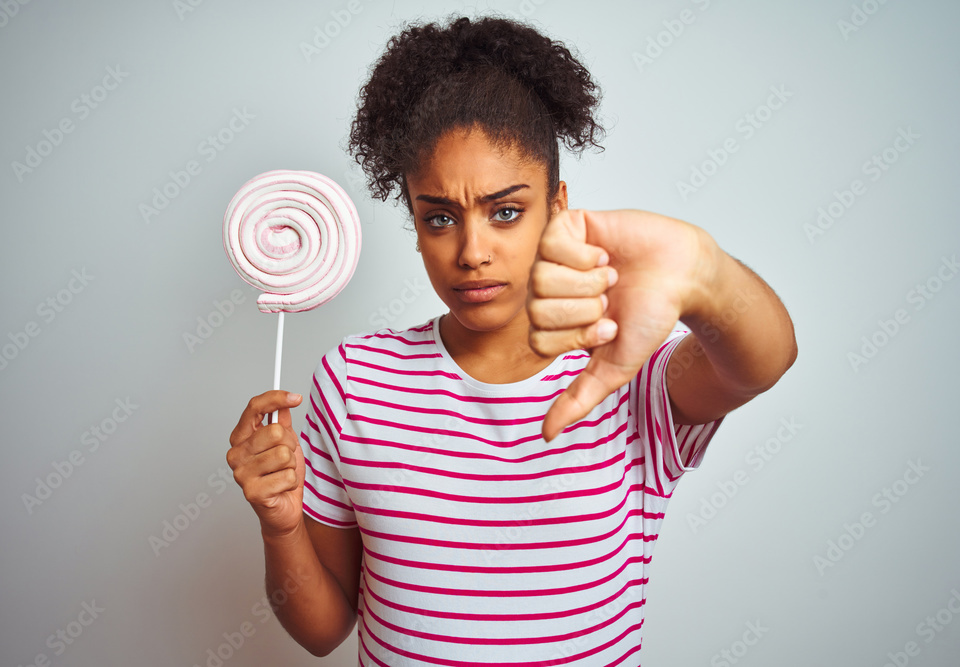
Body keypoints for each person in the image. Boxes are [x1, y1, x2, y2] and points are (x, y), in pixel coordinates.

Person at [226, 15, 797, 666]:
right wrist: (279, 521)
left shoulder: (618, 362)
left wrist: (703, 268)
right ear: (413, 221)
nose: (472, 252)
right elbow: (324, 629)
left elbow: (767, 358)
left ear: (557, 206)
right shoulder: (356, 382)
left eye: (505, 211)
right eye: (439, 216)